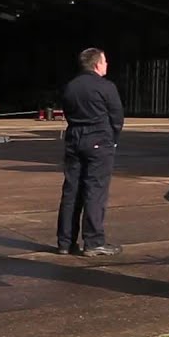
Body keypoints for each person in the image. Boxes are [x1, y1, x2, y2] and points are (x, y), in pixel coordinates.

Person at [56, 47, 124, 256]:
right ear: (97, 64)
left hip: (74, 139)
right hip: (98, 140)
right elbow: (117, 117)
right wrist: (112, 139)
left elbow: (67, 111)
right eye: (104, 62)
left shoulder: (70, 86)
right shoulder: (106, 87)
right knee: (95, 190)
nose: (106, 65)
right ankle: (93, 241)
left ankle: (65, 242)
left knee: (71, 191)